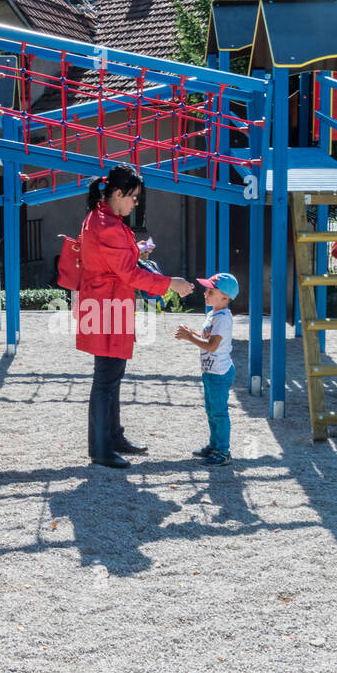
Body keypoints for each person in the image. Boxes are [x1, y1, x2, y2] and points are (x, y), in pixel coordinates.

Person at [77, 165, 195, 468]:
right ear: (117, 194)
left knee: (110, 376)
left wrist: (135, 253)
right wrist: (172, 283)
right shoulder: (110, 226)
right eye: (133, 197)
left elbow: (117, 263)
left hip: (104, 303)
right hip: (109, 307)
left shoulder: (101, 218)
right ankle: (101, 448)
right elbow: (130, 275)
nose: (135, 203)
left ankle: (112, 438)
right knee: (106, 379)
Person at [174, 272, 239, 467]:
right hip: (211, 372)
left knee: (219, 413)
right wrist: (192, 333)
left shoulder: (223, 318)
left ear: (225, 297)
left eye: (211, 290)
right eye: (207, 289)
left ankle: (223, 451)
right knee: (212, 411)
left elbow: (212, 346)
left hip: (219, 373)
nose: (206, 293)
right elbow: (208, 339)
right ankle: (215, 446)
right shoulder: (213, 315)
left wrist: (188, 337)